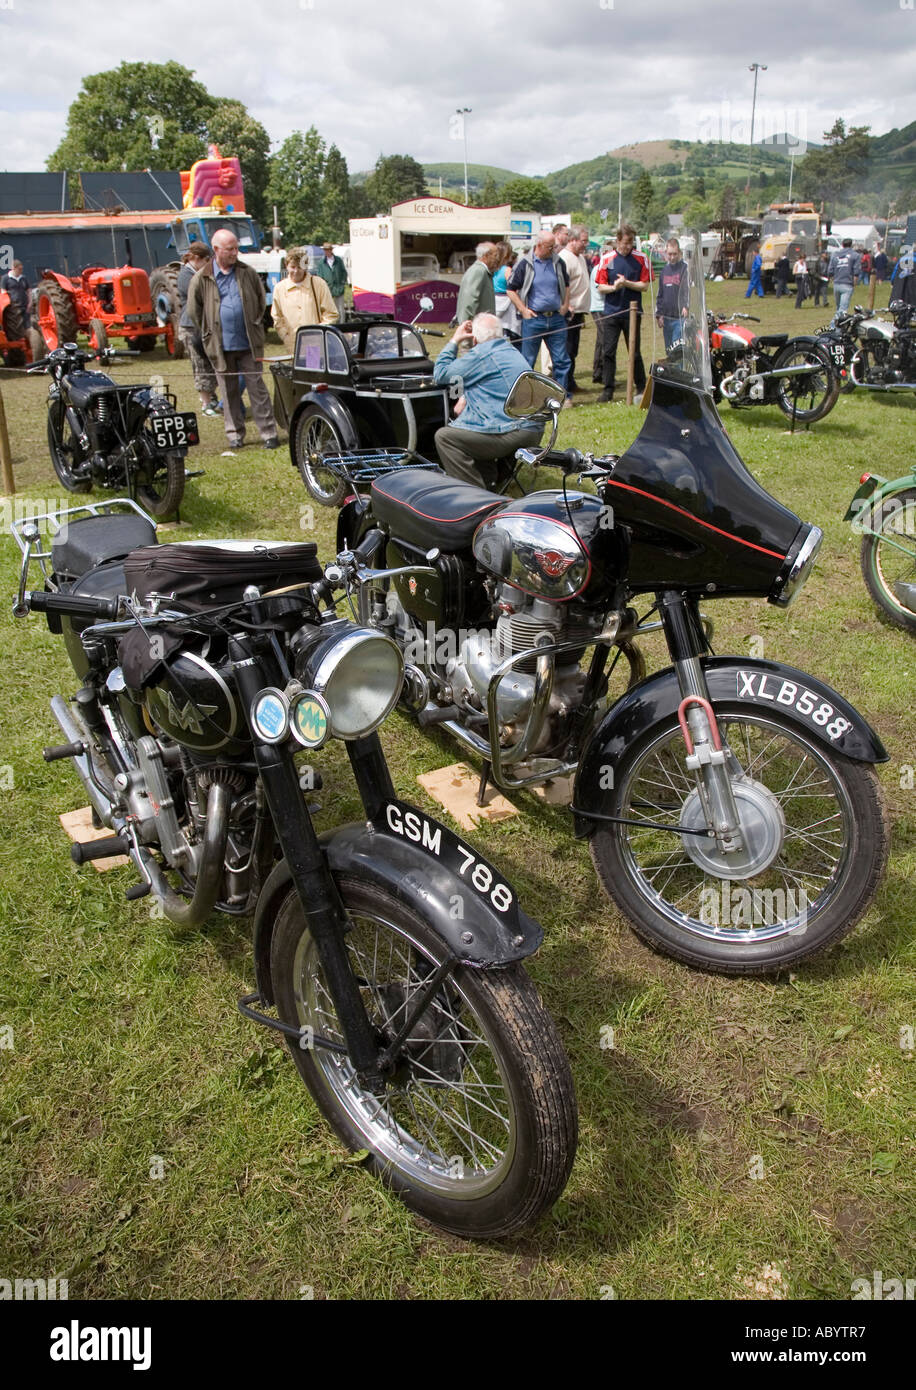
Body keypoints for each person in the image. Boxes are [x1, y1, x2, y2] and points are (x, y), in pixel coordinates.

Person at [187, 228, 280, 451]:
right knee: (228, 393)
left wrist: (255, 322)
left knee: (258, 389)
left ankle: (269, 433)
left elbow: (259, 300)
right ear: (216, 250)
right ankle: (235, 435)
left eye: (236, 248)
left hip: (248, 344)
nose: (235, 253)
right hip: (221, 347)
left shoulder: (247, 272)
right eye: (230, 249)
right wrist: (209, 331)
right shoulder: (202, 278)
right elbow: (194, 310)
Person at [431, 312, 543, 489]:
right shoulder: (510, 350)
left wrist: (455, 340)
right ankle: (489, 483)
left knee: (445, 437)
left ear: (474, 339)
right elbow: (491, 380)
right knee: (472, 429)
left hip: (513, 430)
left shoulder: (482, 353)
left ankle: (475, 497)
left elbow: (441, 374)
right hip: (532, 428)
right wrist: (465, 396)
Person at [506, 230, 571, 401]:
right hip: (534, 320)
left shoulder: (558, 262)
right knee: (528, 361)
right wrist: (523, 309)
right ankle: (525, 397)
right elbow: (510, 289)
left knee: (562, 360)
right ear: (539, 245)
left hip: (556, 319)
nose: (553, 250)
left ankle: (562, 397)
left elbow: (567, 284)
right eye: (550, 247)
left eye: (554, 246)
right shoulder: (524, 264)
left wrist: (564, 305)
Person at [595, 223, 650, 403]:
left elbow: (644, 286)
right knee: (608, 351)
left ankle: (640, 386)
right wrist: (614, 287)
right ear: (618, 241)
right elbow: (600, 287)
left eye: (631, 243)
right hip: (611, 313)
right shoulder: (607, 258)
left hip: (632, 313)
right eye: (625, 242)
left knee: (634, 352)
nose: (628, 246)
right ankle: (608, 389)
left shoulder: (641, 258)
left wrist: (627, 283)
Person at [177, 245, 222, 415]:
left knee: (210, 363)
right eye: (206, 260)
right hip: (191, 327)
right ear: (196, 258)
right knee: (200, 365)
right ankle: (206, 403)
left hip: (203, 325)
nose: (208, 264)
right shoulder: (185, 276)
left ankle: (212, 396)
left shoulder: (196, 273)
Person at [271, 247, 338, 350]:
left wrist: (319, 333)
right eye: (292, 267)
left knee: (312, 366)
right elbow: (277, 317)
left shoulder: (318, 284)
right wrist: (285, 336)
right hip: (293, 347)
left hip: (315, 346)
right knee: (294, 366)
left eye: (299, 267)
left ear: (306, 266)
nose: (296, 271)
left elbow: (331, 313)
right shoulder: (279, 288)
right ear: (286, 265)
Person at [559, 224, 591, 392]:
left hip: (578, 312)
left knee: (574, 349)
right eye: (583, 241)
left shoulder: (579, 257)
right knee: (568, 350)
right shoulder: (564, 258)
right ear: (572, 240)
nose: (586, 244)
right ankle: (565, 385)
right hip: (569, 313)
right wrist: (567, 305)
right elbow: (560, 285)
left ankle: (570, 382)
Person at [655, 237, 689, 352]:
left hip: (679, 318)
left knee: (678, 351)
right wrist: (659, 315)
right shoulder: (664, 271)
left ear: (679, 252)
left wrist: (686, 305)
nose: (672, 257)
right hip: (667, 319)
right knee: (669, 351)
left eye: (675, 254)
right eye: (670, 254)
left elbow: (687, 290)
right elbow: (660, 294)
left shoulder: (684, 268)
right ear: (666, 253)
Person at [455, 242, 500, 324]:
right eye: (495, 255)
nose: (497, 259)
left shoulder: (482, 271)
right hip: (477, 328)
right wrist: (466, 324)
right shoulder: (478, 271)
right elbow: (469, 300)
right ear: (486, 255)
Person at [590, 239, 614, 382]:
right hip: (599, 308)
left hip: (605, 308)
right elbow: (601, 290)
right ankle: (604, 374)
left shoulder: (607, 269)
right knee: (606, 340)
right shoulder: (598, 269)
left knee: (601, 341)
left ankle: (598, 373)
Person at [492, 242, 520, 343]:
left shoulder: (492, 269)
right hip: (507, 305)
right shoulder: (507, 270)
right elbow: (513, 288)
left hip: (494, 303)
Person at [827, 239, 861, 319]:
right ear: (851, 245)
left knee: (838, 308)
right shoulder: (855, 255)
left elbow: (830, 270)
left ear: (842, 245)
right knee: (843, 309)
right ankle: (834, 326)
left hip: (837, 283)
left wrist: (832, 278)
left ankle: (836, 325)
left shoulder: (835, 254)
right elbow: (856, 271)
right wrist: (854, 283)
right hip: (847, 283)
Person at [314, 242, 348, 319]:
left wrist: (342, 283)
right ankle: (331, 325)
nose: (326, 251)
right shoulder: (321, 263)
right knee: (329, 309)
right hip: (327, 290)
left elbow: (344, 272)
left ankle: (342, 325)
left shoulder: (338, 260)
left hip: (339, 288)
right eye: (325, 250)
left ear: (331, 250)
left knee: (340, 309)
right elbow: (319, 276)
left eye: (328, 250)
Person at [0, 259, 31, 328]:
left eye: (22, 269)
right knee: (16, 326)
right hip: (13, 307)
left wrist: (30, 303)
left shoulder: (23, 278)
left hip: (24, 305)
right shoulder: (6, 278)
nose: (21, 271)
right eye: (19, 269)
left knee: (28, 325)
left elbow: (28, 290)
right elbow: (3, 292)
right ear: (13, 268)